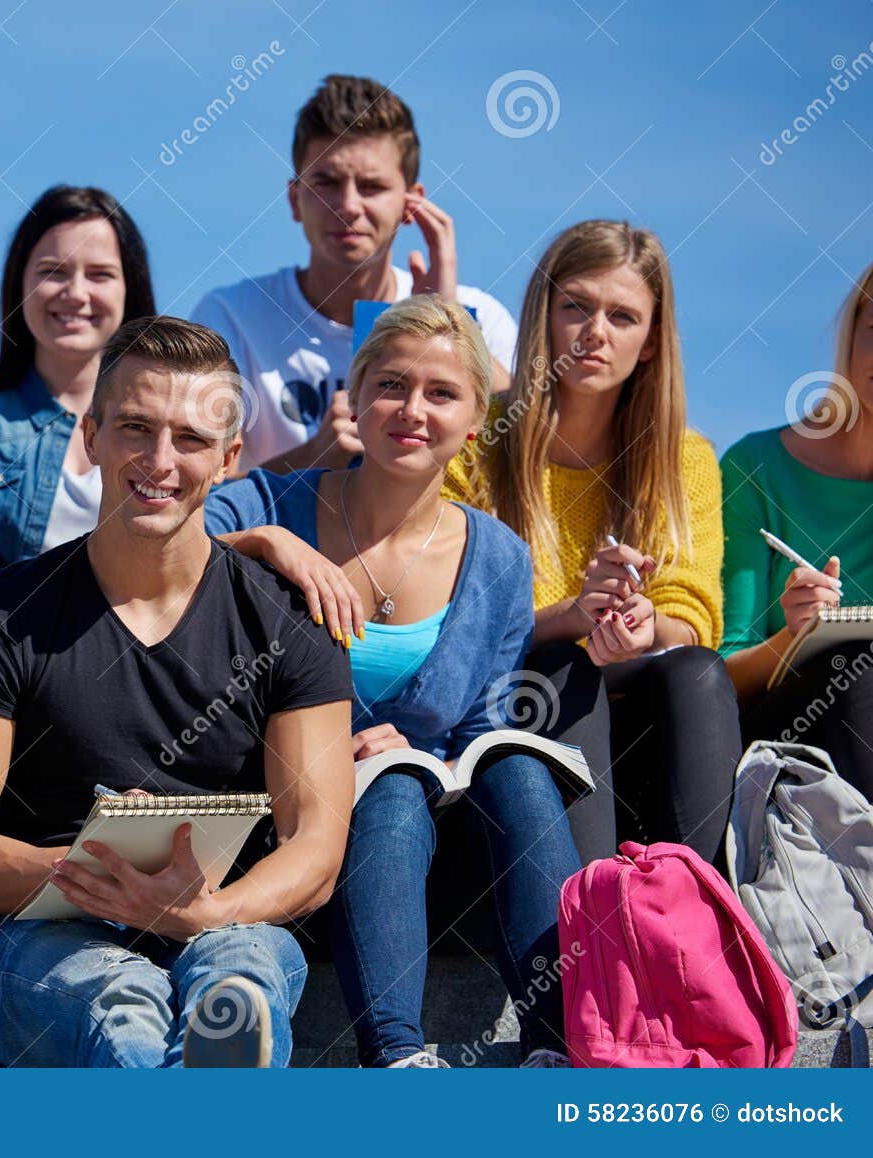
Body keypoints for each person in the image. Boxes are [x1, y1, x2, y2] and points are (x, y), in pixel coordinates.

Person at [0, 317, 355, 1068]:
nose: (159, 461)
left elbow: (316, 844)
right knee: (123, 1006)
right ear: (91, 436)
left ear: (229, 457)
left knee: (237, 984)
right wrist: (92, 875)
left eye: (189, 439)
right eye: (135, 429)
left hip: (229, 921)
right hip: (44, 935)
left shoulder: (290, 622)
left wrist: (203, 911)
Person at [205, 295, 579, 1068]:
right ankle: (400, 1061)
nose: (412, 410)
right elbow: (155, 546)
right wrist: (272, 543)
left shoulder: (501, 559)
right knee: (391, 784)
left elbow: (479, 725)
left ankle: (560, 1045)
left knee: (510, 765)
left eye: (441, 394)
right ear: (356, 391)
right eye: (391, 385)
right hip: (282, 840)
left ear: (477, 420)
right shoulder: (273, 503)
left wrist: (430, 755)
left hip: (420, 861)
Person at [445, 219, 740, 866]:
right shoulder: (477, 441)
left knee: (696, 670)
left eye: (623, 316)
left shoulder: (684, 458)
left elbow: (691, 612)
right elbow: (452, 622)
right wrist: (572, 617)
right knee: (565, 665)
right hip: (507, 728)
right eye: (575, 306)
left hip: (638, 731)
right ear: (542, 314)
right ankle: (589, 931)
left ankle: (694, 913)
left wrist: (644, 624)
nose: (595, 333)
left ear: (653, 340)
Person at [190, 74, 518, 475]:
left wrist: (450, 320)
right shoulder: (230, 318)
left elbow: (527, 457)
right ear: (295, 199)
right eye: (326, 182)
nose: (347, 205)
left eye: (371, 186)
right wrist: (312, 460)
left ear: (410, 202)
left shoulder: (481, 316)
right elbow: (197, 486)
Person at [0, 185, 156, 611]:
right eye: (53, 271)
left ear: (131, 288)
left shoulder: (175, 418)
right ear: (20, 285)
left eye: (100, 274)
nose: (76, 292)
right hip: (18, 662)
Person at [722, 260, 873, 798]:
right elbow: (721, 675)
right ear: (850, 335)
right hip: (792, 741)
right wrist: (794, 636)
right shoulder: (756, 468)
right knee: (856, 665)